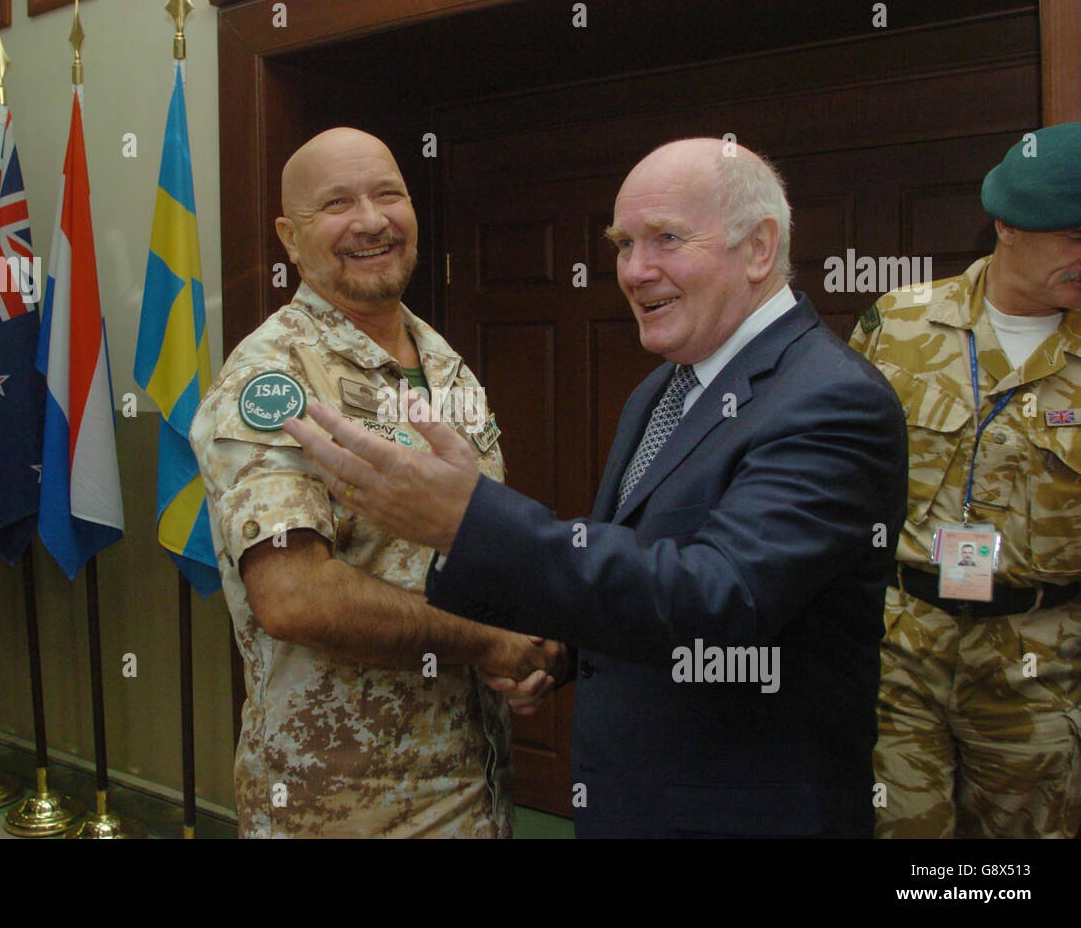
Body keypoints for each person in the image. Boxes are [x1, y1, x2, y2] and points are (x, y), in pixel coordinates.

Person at [285, 138, 909, 838]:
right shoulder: (663, 390)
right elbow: (640, 568)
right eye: (623, 244)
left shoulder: (831, 400)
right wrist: (558, 652)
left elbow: (720, 599)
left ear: (760, 248)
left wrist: (469, 521)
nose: (635, 271)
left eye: (666, 239)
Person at [189, 127, 562, 838]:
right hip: (346, 809)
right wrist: (488, 642)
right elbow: (294, 597)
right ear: (289, 238)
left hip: (474, 790)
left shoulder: (445, 364)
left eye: (388, 194)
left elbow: (473, 539)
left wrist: (528, 642)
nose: (371, 220)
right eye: (336, 204)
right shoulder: (272, 379)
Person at [849, 122, 1081, 839]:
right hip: (900, 649)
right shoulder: (899, 323)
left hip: (1040, 664)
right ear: (1007, 224)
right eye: (1074, 237)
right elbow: (837, 475)